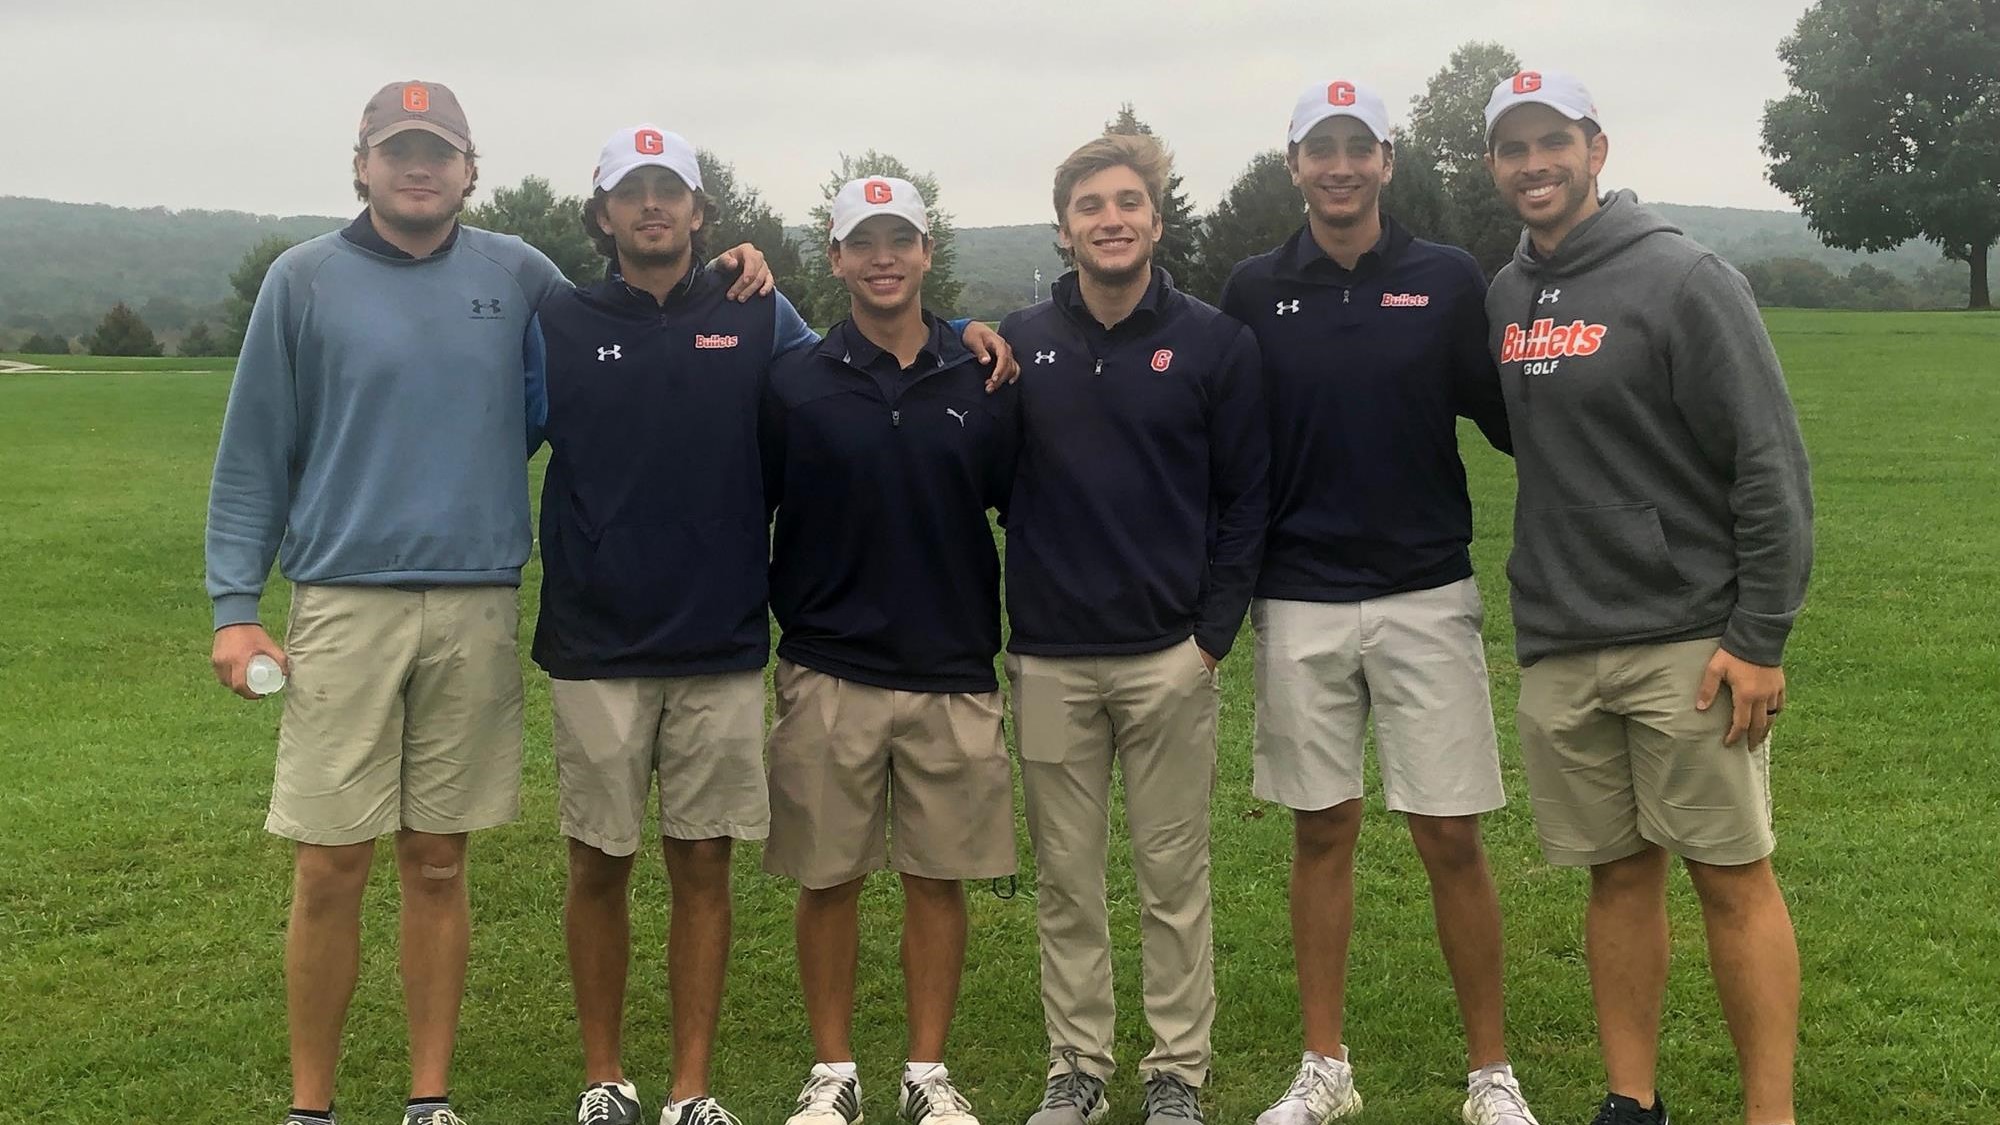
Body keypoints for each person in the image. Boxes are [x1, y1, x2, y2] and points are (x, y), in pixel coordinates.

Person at [206, 83, 774, 1125]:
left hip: (476, 604)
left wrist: (743, 270)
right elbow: (251, 456)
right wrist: (235, 604)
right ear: (363, 165)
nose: (417, 169)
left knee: (434, 861)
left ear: (471, 169)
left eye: (438, 153)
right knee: (330, 864)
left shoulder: (522, 278)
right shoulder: (303, 279)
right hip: (342, 600)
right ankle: (310, 1108)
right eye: (397, 151)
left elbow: (640, 317)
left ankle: (430, 1100)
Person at [529, 127, 1016, 1125]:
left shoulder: (756, 318)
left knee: (704, 861)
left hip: (719, 636)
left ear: (704, 215)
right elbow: (491, 430)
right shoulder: (555, 321)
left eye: (672, 193)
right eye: (633, 194)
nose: (653, 208)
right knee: (598, 862)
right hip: (595, 634)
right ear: (604, 214)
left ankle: (691, 1089)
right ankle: (603, 1080)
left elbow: (878, 350)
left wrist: (963, 325)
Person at [1481, 69, 1812, 1125]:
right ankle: (1630, 1099)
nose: (1533, 163)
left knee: (1729, 874)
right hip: (1561, 638)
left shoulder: (1683, 276)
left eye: (1552, 142)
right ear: (1493, 165)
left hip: (1687, 638)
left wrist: (1757, 637)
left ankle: (1770, 1112)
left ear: (1595, 148)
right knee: (1614, 878)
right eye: (1511, 147)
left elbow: (1766, 462)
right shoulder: (1502, 294)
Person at [1219, 78, 1537, 1125]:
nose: (1340, 166)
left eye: (1359, 148)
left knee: (1449, 835)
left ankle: (1489, 1075)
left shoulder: (1447, 279)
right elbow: (1217, 437)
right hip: (1298, 595)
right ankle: (1325, 1068)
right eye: (1322, 149)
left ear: (1386, 163)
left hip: (1423, 588)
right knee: (1322, 829)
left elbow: (1515, 420)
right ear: (1295, 164)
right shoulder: (1254, 288)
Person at [998, 132, 1267, 1125]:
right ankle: (1075, 1064)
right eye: (1088, 206)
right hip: (1048, 661)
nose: (1108, 220)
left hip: (1167, 658)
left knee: (1171, 880)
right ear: (1063, 227)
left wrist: (1209, 640)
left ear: (1156, 220)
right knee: (1065, 884)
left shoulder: (1212, 344)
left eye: (1126, 203)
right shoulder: (1016, 342)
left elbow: (1245, 504)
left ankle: (1174, 1074)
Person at [760, 176, 1021, 1125]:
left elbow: (1011, 497)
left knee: (936, 876)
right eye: (861, 241)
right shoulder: (793, 381)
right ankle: (834, 1073)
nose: (881, 257)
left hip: (952, 664)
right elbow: (758, 503)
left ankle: (925, 1071)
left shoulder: (984, 378)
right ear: (834, 259)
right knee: (827, 877)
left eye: (899, 239)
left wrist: (980, 332)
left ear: (925, 251)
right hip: (828, 664)